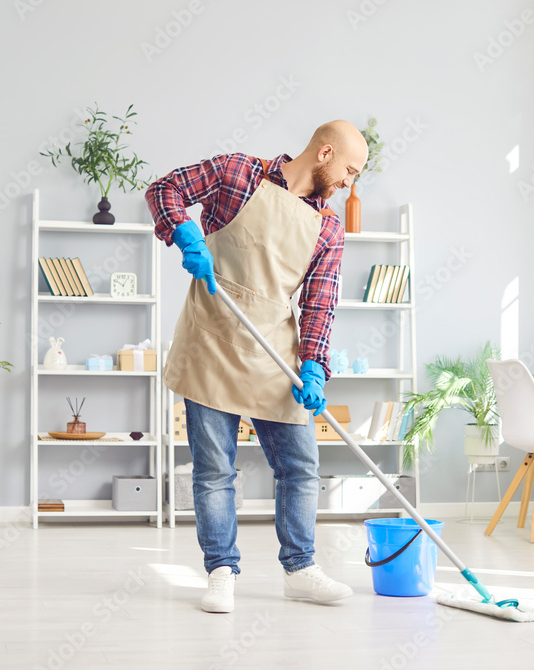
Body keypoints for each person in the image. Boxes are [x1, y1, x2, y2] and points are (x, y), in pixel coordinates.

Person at [146, 120, 368, 613]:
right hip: (211, 342)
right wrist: (185, 233)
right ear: (325, 153)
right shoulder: (237, 174)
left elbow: (320, 304)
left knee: (300, 467)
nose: (350, 183)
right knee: (213, 471)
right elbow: (165, 189)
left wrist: (313, 366)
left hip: (273, 351)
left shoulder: (328, 226)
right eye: (350, 171)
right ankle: (221, 572)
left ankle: (301, 569)